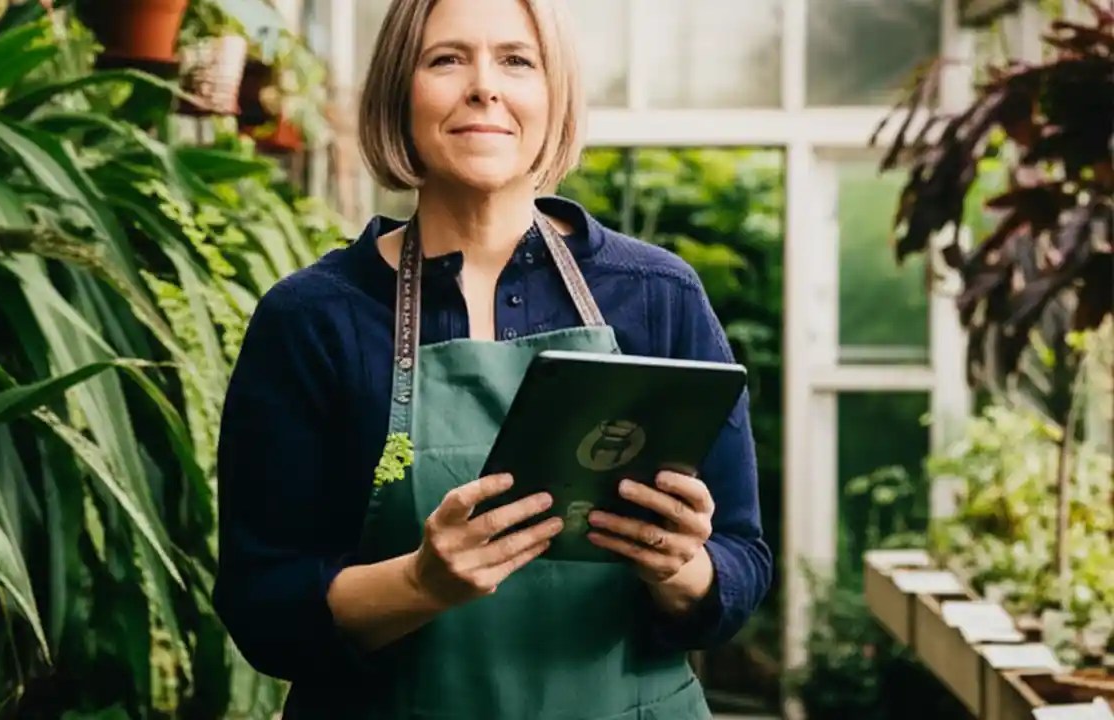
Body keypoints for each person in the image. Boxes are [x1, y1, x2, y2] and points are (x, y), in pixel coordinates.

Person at [212, 0, 773, 717]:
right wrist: (421, 584)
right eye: (447, 59)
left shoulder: (657, 296)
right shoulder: (313, 320)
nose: (485, 86)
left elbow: (742, 557)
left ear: (554, 94)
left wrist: (684, 570)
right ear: (399, 92)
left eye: (517, 61)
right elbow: (263, 605)